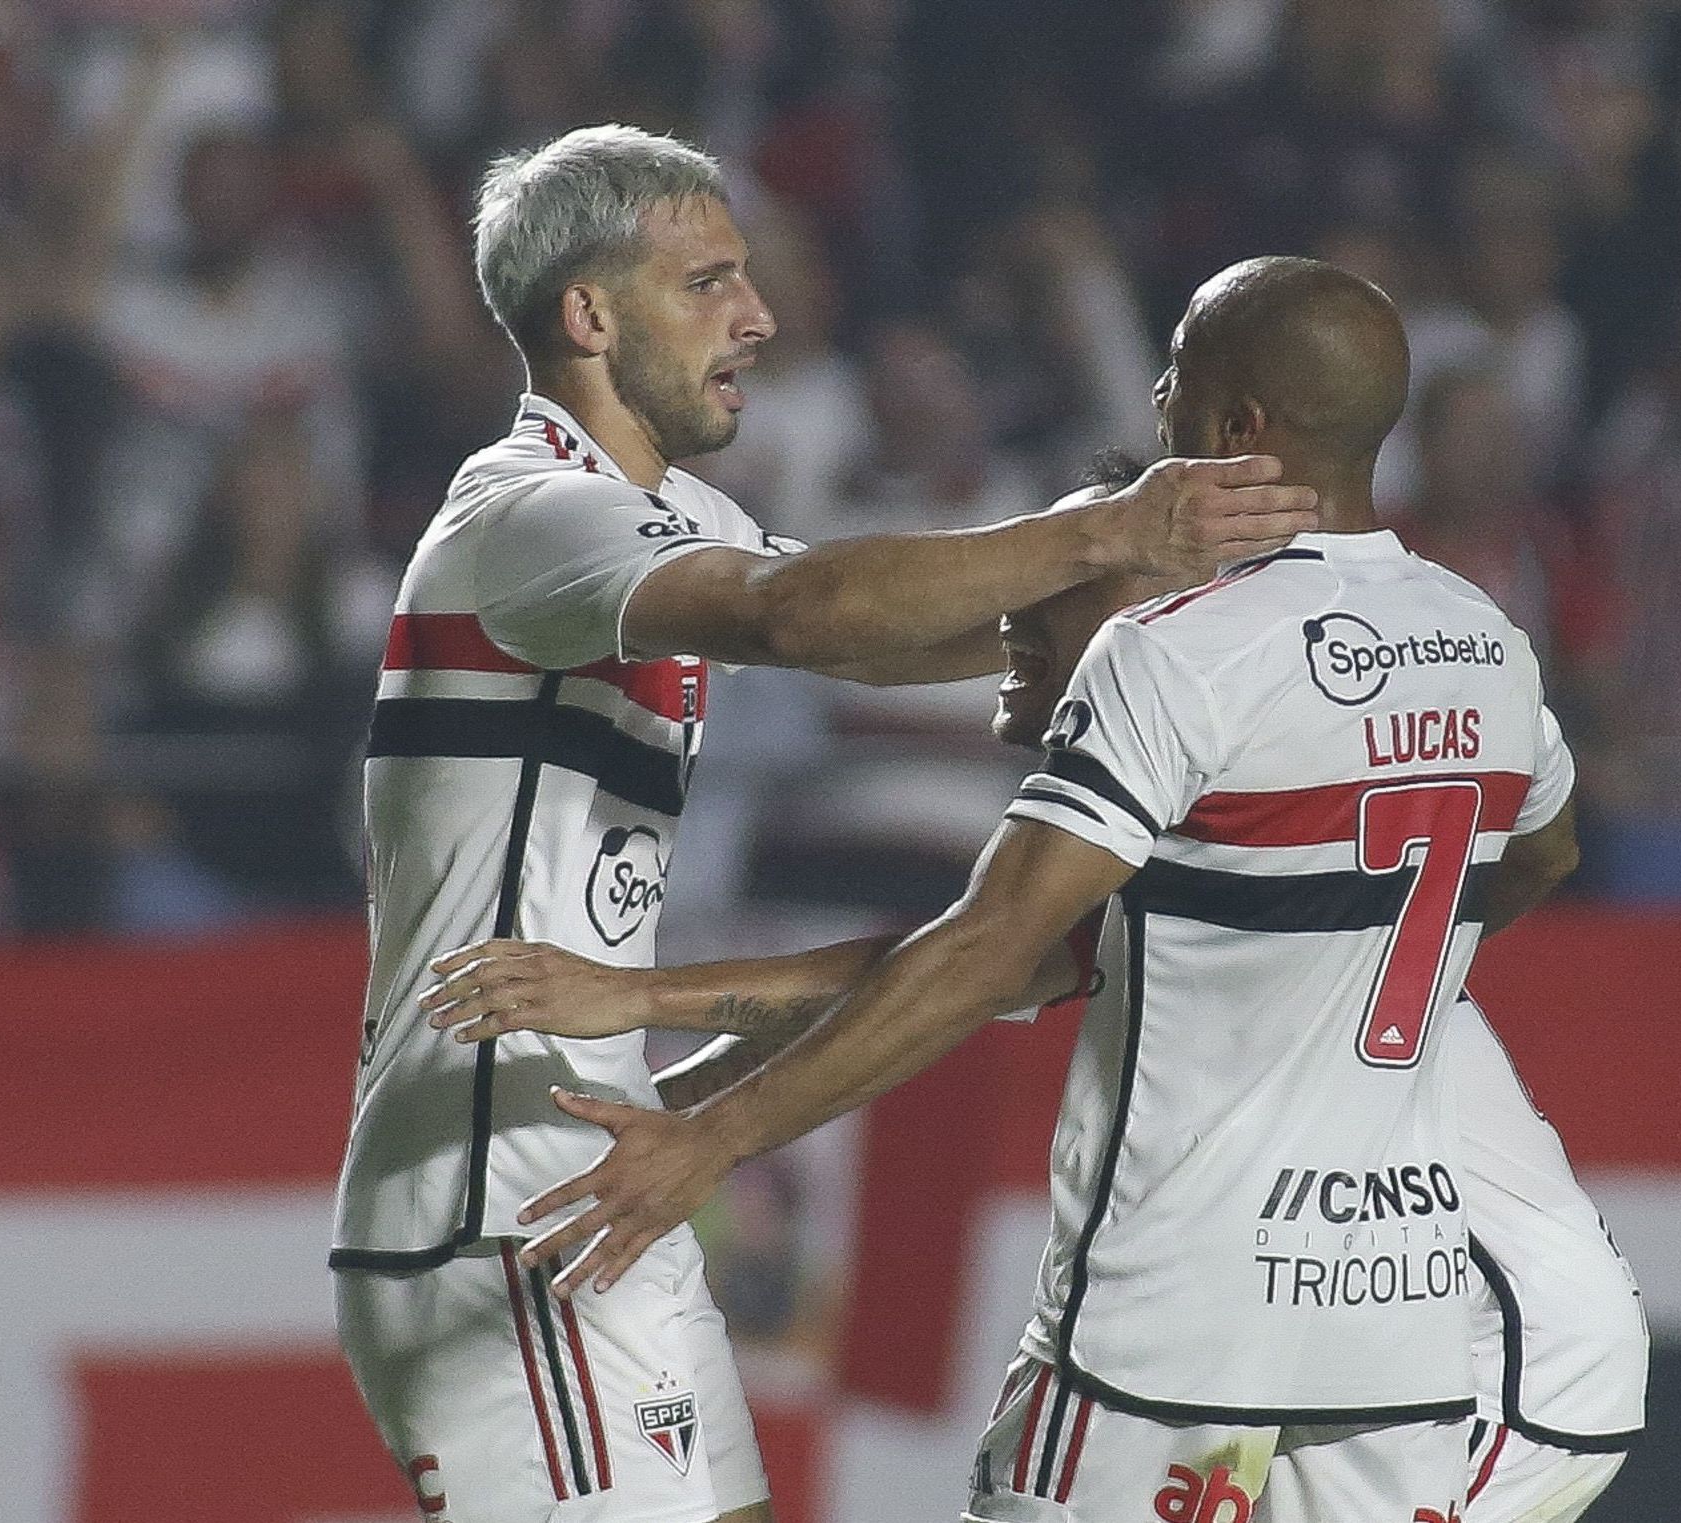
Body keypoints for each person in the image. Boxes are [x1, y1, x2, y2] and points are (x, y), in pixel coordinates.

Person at [435, 258, 1589, 1520]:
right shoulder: (1485, 641)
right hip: (1392, 1321)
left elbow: (983, 950)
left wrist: (707, 1141)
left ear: (1236, 426)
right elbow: (1543, 854)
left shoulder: (1182, 654)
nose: (1157, 395)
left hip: (1173, 1321)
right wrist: (1328, 965)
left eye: (1177, 372)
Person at [331, 125, 1321, 1523]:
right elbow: (801, 615)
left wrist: (1128, 615)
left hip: (588, 1170)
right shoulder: (535, 514)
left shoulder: (671, 511)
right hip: (494, 1193)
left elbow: (876, 635)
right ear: (589, 317)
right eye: (708, 283)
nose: (759, 317)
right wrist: (1107, 535)